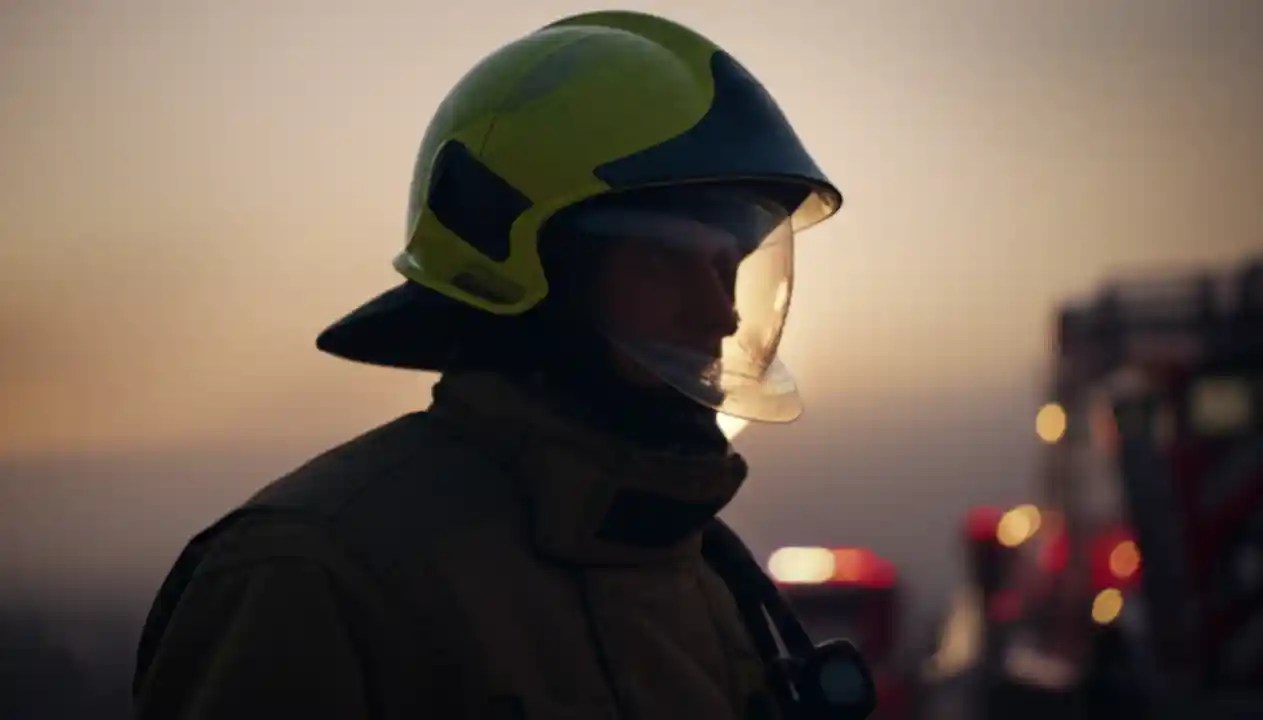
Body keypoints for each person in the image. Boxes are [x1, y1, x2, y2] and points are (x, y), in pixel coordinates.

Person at [132, 9, 858, 719]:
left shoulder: (701, 571)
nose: (723, 314)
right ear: (525, 258)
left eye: (730, 266)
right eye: (670, 261)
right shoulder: (307, 577)